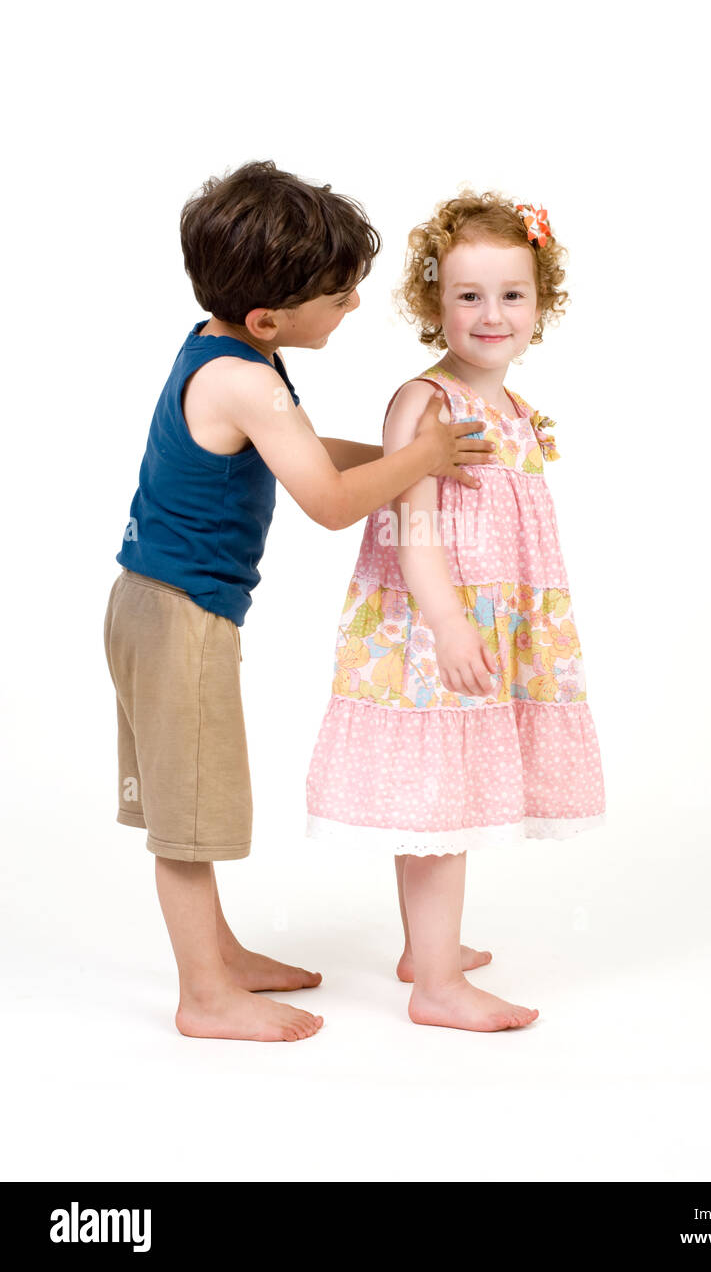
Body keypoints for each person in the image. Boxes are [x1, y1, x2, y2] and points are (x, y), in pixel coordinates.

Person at [103, 161, 494, 1043]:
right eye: (338, 294)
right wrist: (419, 462)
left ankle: (221, 957)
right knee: (190, 822)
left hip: (152, 604)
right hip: (177, 618)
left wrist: (402, 448)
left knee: (188, 806)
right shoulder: (249, 377)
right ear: (269, 318)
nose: (352, 303)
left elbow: (300, 450)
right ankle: (204, 997)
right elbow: (323, 503)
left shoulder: (230, 350)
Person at [306, 190, 606, 1032]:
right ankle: (435, 983)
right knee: (441, 797)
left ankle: (425, 948)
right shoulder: (427, 401)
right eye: (467, 295)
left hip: (490, 621)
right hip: (435, 627)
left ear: (540, 303)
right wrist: (444, 619)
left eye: (511, 294)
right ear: (431, 303)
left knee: (461, 789)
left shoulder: (511, 408)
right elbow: (411, 521)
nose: (490, 313)